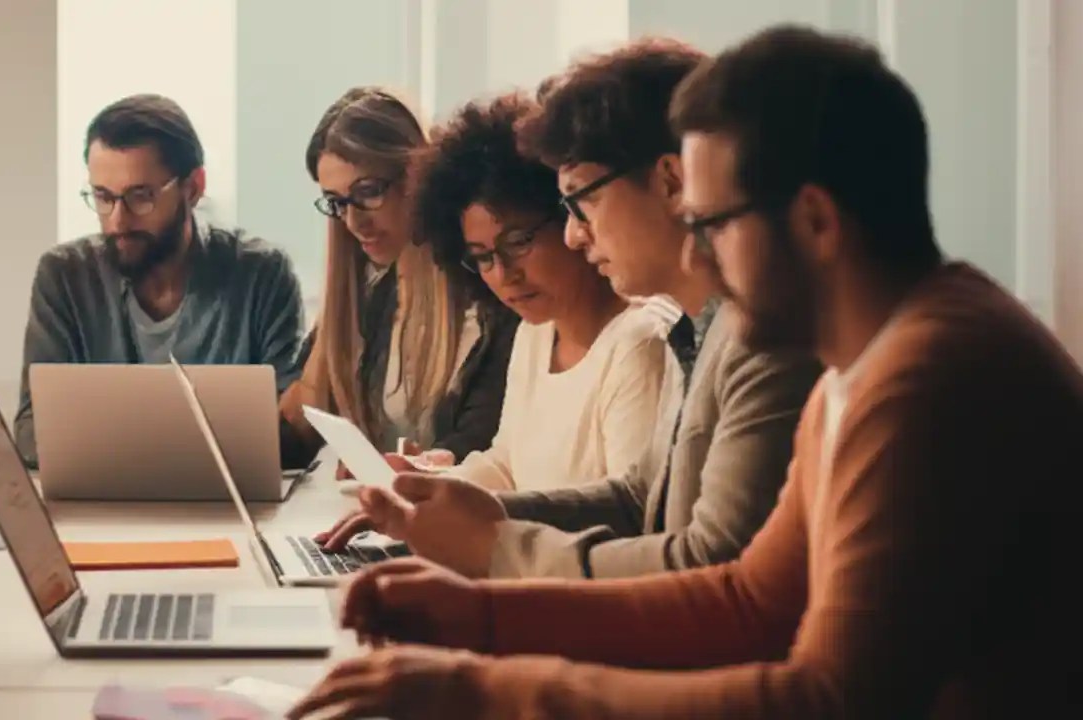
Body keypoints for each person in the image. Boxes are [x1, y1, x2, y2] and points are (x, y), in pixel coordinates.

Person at [288, 26, 1083, 719]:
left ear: (814, 221)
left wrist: (496, 690)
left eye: (709, 224)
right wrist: (484, 618)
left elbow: (831, 701)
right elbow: (746, 597)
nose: (697, 253)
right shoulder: (862, 363)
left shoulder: (928, 375)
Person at [321, 38, 821, 579]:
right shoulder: (693, 329)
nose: (576, 235)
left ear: (673, 181)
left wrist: (493, 548)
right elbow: (638, 499)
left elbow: (710, 565)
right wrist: (466, 513)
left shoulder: (759, 340)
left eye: (583, 200)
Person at [14, 94, 305, 466]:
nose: (117, 220)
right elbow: (30, 431)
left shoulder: (262, 274)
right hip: (98, 512)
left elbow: (292, 432)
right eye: (103, 197)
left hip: (230, 513)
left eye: (141, 197)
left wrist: (118, 445)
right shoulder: (65, 277)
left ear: (193, 188)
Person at [279, 87, 517, 468]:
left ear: (416, 175)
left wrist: (412, 468)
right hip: (375, 513)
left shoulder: (492, 287)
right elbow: (297, 432)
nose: (355, 222)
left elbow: (481, 441)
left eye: (369, 192)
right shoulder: (367, 296)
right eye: (338, 203)